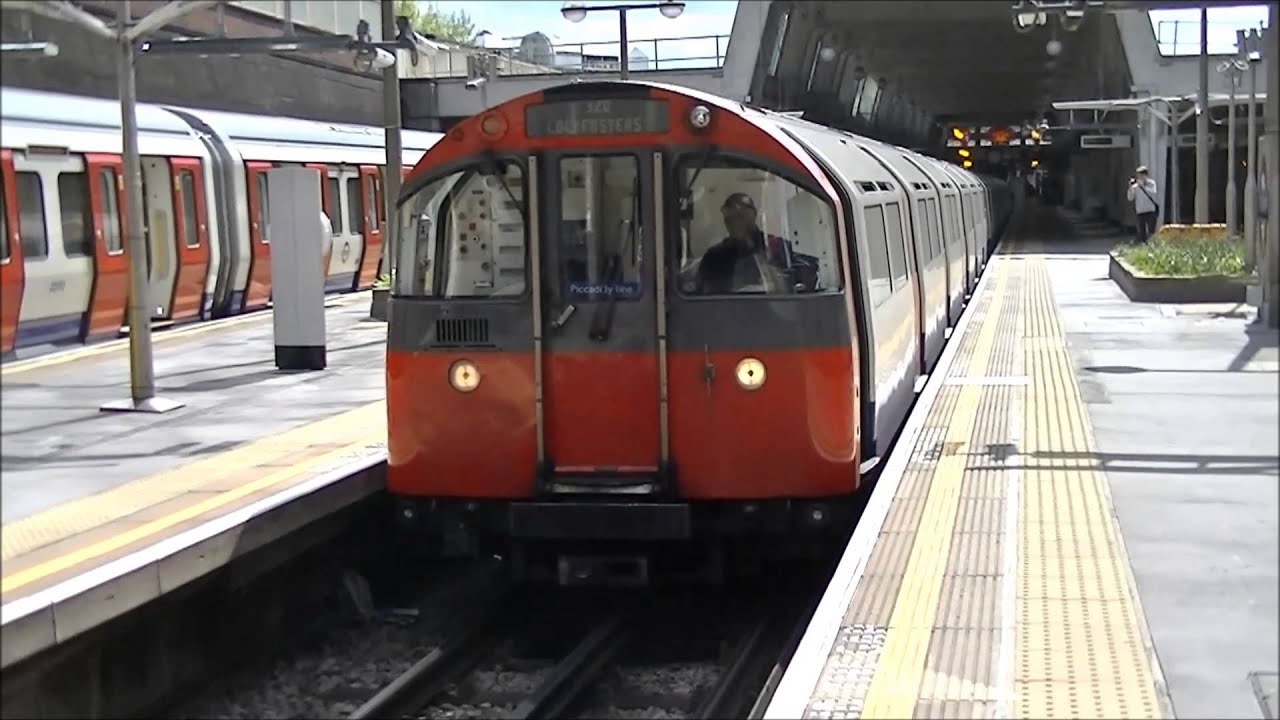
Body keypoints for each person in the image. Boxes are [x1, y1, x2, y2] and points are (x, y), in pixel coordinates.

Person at [681, 192, 793, 294]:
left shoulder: (775, 246)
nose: (735, 223)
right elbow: (698, 292)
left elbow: (793, 283)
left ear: (753, 215)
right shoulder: (714, 257)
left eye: (740, 216)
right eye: (730, 218)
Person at [1126, 166, 1159, 243]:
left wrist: (1143, 187)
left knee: (1151, 231)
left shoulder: (1151, 183)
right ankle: (1143, 245)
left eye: (1141, 175)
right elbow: (1130, 198)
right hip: (1140, 211)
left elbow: (1153, 194)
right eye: (1138, 175)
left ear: (1145, 175)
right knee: (1142, 232)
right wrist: (1130, 187)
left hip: (1150, 210)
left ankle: (1151, 245)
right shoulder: (1135, 187)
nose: (1139, 177)